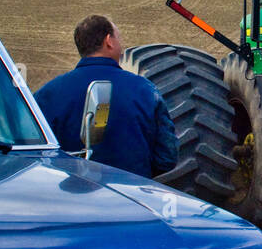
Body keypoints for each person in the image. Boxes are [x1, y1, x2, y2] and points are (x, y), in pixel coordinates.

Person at [34, 15, 178, 178]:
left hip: (70, 196)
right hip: (130, 195)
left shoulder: (48, 94)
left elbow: (33, 153)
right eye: (119, 37)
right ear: (108, 41)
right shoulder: (145, 90)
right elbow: (167, 158)